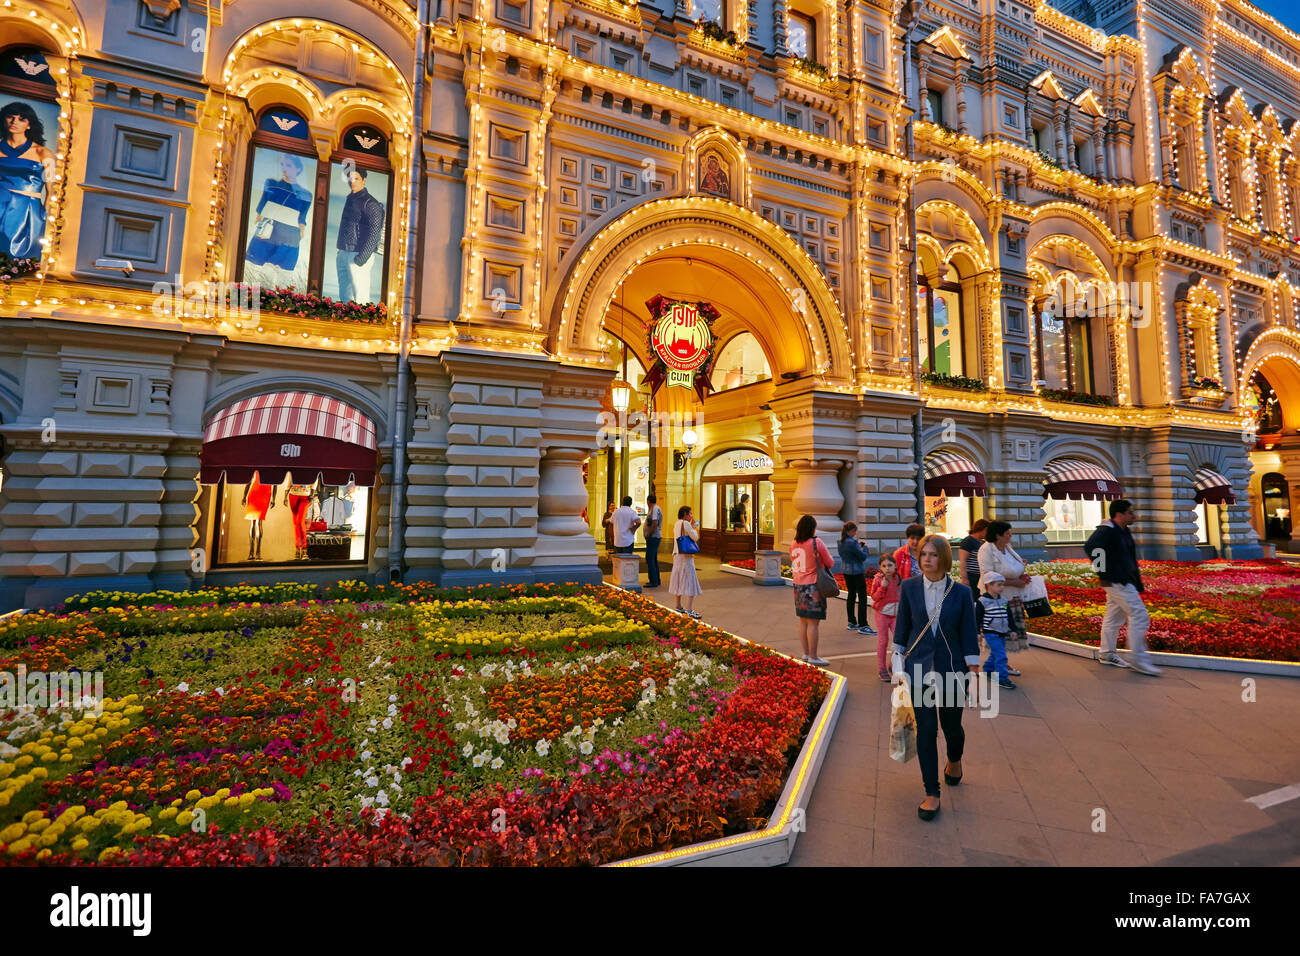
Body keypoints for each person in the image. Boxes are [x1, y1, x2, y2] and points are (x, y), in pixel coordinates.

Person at [891, 534, 980, 821]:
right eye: (923, 554)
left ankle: (954, 759)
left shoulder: (961, 593)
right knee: (926, 730)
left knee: (952, 727)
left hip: (952, 669)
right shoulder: (909, 587)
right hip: (919, 670)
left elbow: (968, 633)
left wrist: (974, 672)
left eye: (933, 554)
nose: (927, 559)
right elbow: (902, 627)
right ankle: (932, 791)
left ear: (944, 558)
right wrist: (897, 661)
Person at [1084, 499, 1162, 677]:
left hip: (1123, 580)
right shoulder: (1107, 531)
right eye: (1130, 512)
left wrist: (1135, 579)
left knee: (1114, 617)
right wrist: (1103, 573)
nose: (1134, 515)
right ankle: (1138, 660)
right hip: (1116, 581)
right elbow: (1091, 547)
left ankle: (1107, 653)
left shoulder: (1122, 531)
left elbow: (1128, 556)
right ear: (1119, 514)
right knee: (1140, 615)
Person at [0, 101, 55, 261]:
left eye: (21, 119)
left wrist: (44, 217)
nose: (14, 122)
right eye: (10, 117)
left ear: (29, 125)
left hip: (27, 213)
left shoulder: (43, 153)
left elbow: (52, 191)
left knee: (20, 265)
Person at [977, 520, 1029, 670]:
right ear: (998, 535)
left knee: (1005, 632)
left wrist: (1021, 569)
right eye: (1007, 534)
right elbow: (987, 575)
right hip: (995, 599)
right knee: (998, 633)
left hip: (1012, 596)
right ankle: (1000, 664)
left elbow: (1013, 565)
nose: (1010, 537)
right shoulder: (986, 549)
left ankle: (993, 664)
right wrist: (1013, 581)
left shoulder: (1007, 547)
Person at [335, 166, 386, 303]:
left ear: (364, 180)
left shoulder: (370, 203)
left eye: (356, 178)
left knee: (361, 299)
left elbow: (375, 232)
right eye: (350, 178)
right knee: (345, 298)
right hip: (344, 253)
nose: (353, 182)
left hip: (357, 255)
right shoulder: (351, 198)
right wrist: (341, 253)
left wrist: (361, 258)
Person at [791, 514, 835, 667]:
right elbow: (830, 562)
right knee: (813, 623)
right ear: (812, 528)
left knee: (803, 622)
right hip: (813, 586)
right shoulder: (816, 542)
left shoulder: (793, 543)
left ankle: (805, 653)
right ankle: (814, 656)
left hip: (798, 586)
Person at [977, 571, 1016, 689]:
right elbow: (977, 618)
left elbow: (1009, 616)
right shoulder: (982, 601)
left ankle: (988, 670)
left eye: (1002, 584)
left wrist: (1013, 630)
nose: (1002, 587)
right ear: (989, 585)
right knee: (1001, 655)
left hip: (1002, 632)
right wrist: (977, 632)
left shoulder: (1003, 600)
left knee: (995, 653)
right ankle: (1002, 678)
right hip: (991, 633)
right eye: (999, 585)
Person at [838, 522, 873, 634]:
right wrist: (865, 548)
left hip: (846, 571)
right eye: (854, 531)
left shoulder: (841, 541)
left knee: (851, 595)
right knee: (862, 597)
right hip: (856, 571)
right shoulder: (852, 542)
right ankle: (863, 624)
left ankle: (852, 622)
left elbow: (850, 554)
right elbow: (862, 557)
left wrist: (859, 547)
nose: (855, 533)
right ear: (850, 531)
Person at [870, 553, 901, 682]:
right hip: (882, 614)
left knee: (898, 642)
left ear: (895, 566)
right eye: (884, 566)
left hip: (896, 615)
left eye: (890, 565)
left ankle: (893, 666)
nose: (887, 568)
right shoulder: (878, 579)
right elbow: (874, 597)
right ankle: (882, 669)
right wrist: (883, 587)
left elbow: (902, 595)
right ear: (880, 567)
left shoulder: (898, 579)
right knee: (883, 642)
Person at [670, 505, 702, 618]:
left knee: (678, 580)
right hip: (686, 556)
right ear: (685, 514)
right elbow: (695, 537)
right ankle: (689, 609)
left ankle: (678, 605)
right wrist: (694, 527)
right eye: (690, 513)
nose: (692, 515)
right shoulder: (686, 524)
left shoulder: (677, 523)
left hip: (677, 555)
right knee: (690, 580)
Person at [959, 518, 990, 592]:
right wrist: (965, 578)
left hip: (981, 576)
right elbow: (963, 561)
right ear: (984, 529)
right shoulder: (968, 541)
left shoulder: (982, 542)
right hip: (972, 576)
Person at [643, 493, 663, 589]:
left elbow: (655, 523)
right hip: (654, 537)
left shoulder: (654, 509)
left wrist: (649, 533)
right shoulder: (655, 508)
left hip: (653, 537)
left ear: (648, 501)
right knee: (653, 559)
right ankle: (656, 579)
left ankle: (653, 581)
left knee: (650, 559)